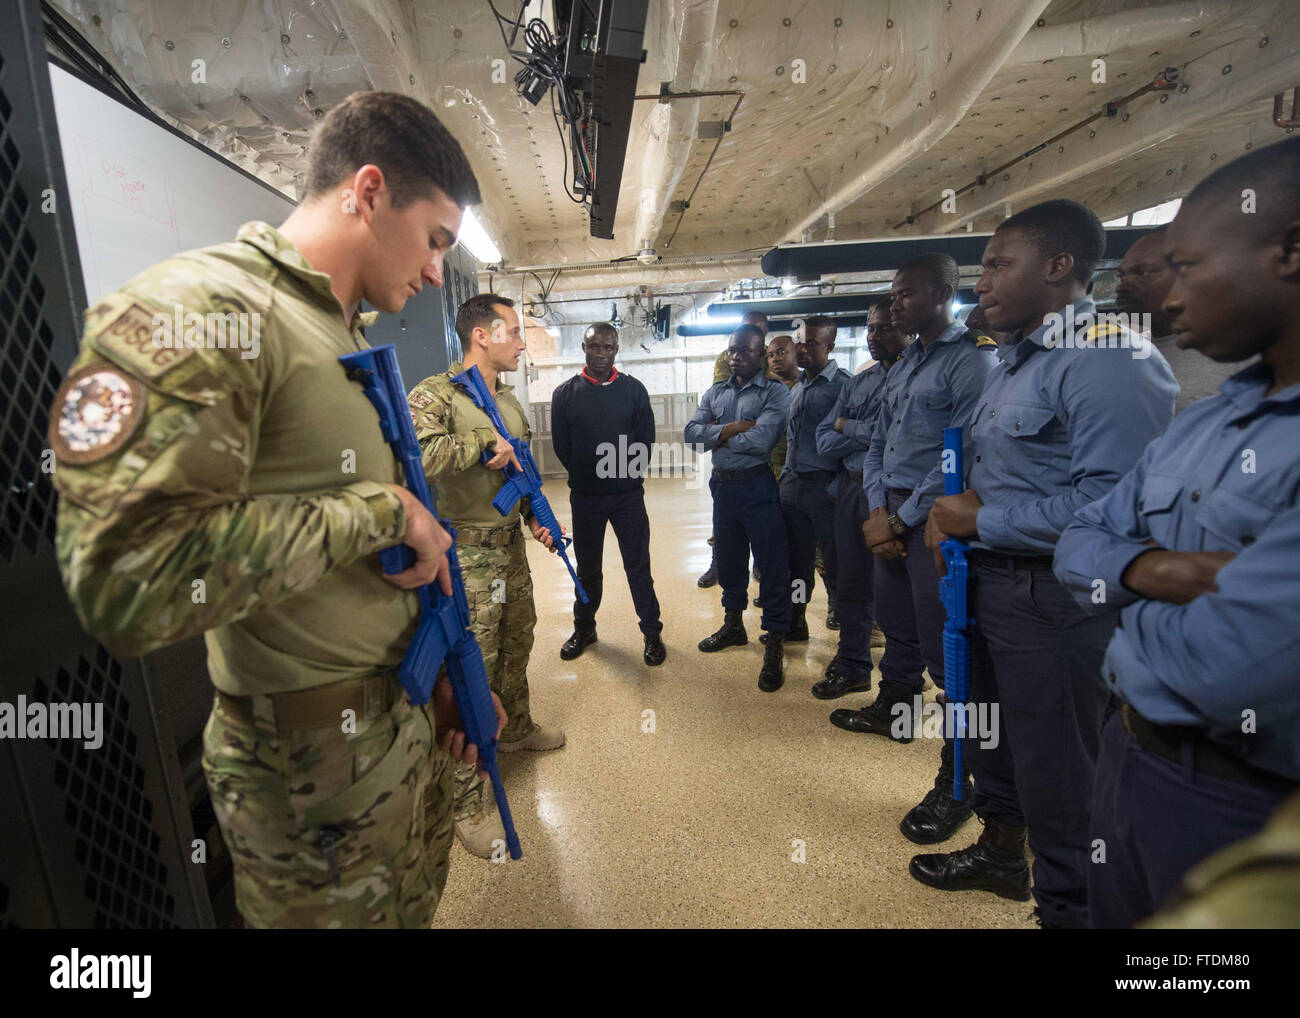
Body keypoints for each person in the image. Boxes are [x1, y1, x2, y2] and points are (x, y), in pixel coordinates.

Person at [48, 91, 495, 927]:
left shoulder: (342, 336)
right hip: (309, 780)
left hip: (391, 737)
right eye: (435, 239)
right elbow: (125, 583)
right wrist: (381, 513)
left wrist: (440, 682)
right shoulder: (207, 310)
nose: (439, 271)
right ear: (367, 192)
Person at [1053, 138, 1300, 928]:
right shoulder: (1211, 420)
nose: (1169, 298)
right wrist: (1164, 573)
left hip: (1242, 802)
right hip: (1133, 763)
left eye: (1187, 269)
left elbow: (1236, 669)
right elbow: (1078, 541)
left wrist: (1127, 607)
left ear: (1289, 252)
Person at [913, 199, 1177, 929]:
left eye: (999, 263)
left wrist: (983, 518)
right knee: (996, 744)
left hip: (1057, 604)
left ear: (1059, 266)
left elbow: (1117, 512)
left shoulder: (1109, 361)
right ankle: (1001, 855)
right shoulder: (1013, 362)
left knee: (1063, 780)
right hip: (991, 590)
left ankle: (1073, 910)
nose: (983, 281)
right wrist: (962, 506)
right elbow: (1013, 474)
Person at [408, 293, 566, 858]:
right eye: (513, 332)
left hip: (509, 550)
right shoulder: (436, 394)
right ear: (482, 335)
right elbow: (417, 454)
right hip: (464, 557)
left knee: (515, 645)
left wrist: (536, 520)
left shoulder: (511, 402)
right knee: (469, 674)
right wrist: (481, 444)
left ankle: (517, 725)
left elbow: (518, 468)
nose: (522, 342)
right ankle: (467, 802)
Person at [549, 322, 666, 666]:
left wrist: (623, 475)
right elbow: (563, 447)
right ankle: (584, 628)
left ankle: (652, 632)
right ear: (583, 349)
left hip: (627, 496)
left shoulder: (633, 390)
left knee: (638, 566)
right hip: (586, 498)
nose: (601, 353)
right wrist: (589, 475)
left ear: (616, 351)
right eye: (594, 346)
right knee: (588, 570)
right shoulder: (565, 394)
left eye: (608, 348)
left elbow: (645, 440)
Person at [686, 325, 792, 691]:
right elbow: (691, 436)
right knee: (729, 561)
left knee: (771, 564)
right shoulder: (716, 391)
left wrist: (717, 432)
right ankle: (733, 626)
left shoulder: (775, 393)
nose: (736, 357)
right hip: (723, 487)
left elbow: (763, 439)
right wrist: (733, 428)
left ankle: (775, 641)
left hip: (758, 486)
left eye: (744, 351)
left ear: (760, 353)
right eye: (732, 350)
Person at [811, 302, 908, 700]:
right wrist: (861, 433)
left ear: (906, 328)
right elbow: (822, 439)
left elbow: (900, 439)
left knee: (895, 592)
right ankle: (853, 664)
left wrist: (847, 425)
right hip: (852, 488)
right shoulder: (859, 383)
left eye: (884, 329)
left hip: (896, 494)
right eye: (870, 328)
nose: (873, 336)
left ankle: (901, 684)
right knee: (849, 584)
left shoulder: (914, 377)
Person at [774, 316, 850, 645]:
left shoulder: (844, 386)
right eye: (800, 341)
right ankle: (796, 621)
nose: (802, 349)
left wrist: (836, 486)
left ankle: (848, 632)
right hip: (793, 487)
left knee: (837, 564)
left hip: (826, 489)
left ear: (829, 347)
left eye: (811, 344)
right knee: (797, 564)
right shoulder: (797, 386)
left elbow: (854, 439)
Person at [1114, 228, 1240, 412]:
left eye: (1143, 273)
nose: (1122, 287)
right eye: (1121, 276)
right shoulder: (1111, 348)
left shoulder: (1239, 354)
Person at [700, 311, 770, 587]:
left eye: (756, 330)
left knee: (768, 520)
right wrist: (730, 430)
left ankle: (763, 567)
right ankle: (719, 563)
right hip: (731, 449)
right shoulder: (725, 359)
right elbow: (722, 399)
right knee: (725, 517)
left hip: (771, 454)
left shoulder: (775, 354)